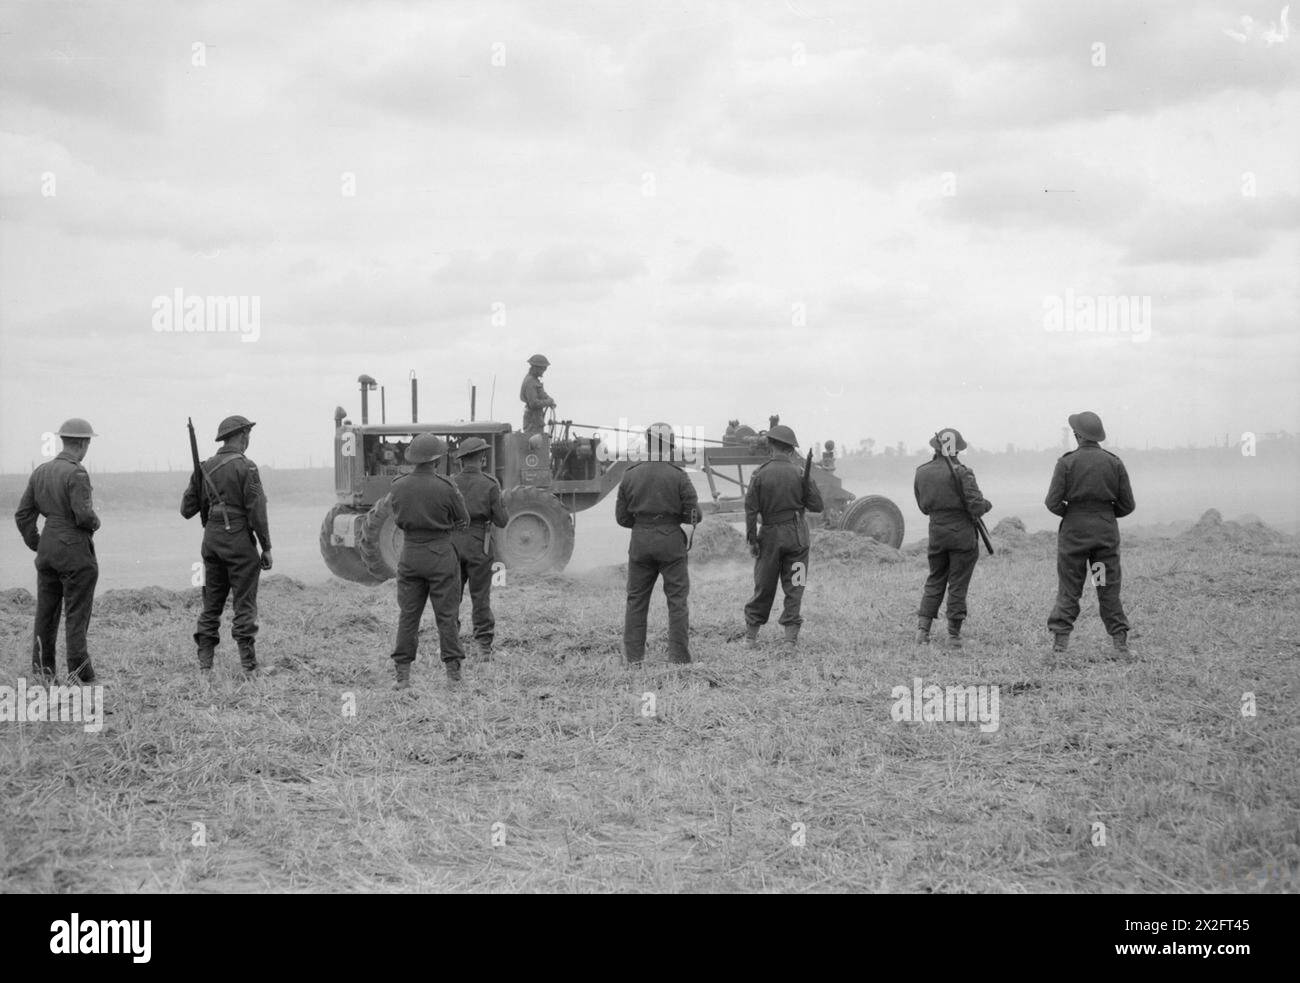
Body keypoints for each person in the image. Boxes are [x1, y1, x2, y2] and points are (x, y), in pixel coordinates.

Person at [181, 415, 272, 676]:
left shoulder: (204, 468)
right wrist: (265, 547)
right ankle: (249, 666)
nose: (248, 440)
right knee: (244, 604)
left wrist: (202, 490)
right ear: (243, 436)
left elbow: (186, 509)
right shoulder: (247, 467)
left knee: (211, 604)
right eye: (248, 436)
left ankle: (205, 666)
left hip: (211, 541)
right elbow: (257, 511)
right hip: (239, 542)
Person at [14, 418, 102, 683]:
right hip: (75, 553)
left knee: (46, 614)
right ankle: (81, 674)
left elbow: (22, 515)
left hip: (48, 551)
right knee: (76, 615)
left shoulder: (40, 471)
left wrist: (38, 544)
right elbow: (84, 516)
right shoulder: (77, 473)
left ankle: (43, 673)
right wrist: (96, 523)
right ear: (83, 443)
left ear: (64, 440)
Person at [1045, 411, 1136, 658]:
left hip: (1074, 536)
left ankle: (1060, 646)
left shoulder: (1066, 463)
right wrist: (1104, 515)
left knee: (1070, 588)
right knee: (1106, 586)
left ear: (1077, 435)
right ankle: (1120, 644)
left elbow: (1052, 502)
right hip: (1104, 538)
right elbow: (1127, 505)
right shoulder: (1114, 462)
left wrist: (1073, 513)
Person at [388, 433, 470, 689]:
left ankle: (403, 677)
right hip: (440, 555)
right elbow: (464, 520)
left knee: (408, 616)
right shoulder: (446, 487)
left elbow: (397, 515)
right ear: (436, 459)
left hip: (410, 554)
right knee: (446, 616)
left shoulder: (398, 485)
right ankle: (453, 676)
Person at [615, 423, 699, 665]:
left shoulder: (630, 474)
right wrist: (675, 524)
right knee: (677, 601)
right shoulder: (679, 475)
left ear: (648, 443)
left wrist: (643, 525)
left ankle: (633, 659)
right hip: (671, 542)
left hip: (640, 542)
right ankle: (679, 659)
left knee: (636, 601)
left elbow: (621, 518)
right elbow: (694, 514)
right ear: (669, 447)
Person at [742, 424, 823, 651]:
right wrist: (805, 486)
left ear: (771, 446)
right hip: (797, 539)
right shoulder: (799, 472)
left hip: (768, 538)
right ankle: (789, 641)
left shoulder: (759, 473)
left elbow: (749, 510)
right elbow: (817, 505)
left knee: (763, 586)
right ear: (790, 449)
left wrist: (752, 541)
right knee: (795, 586)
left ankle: (751, 638)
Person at [913, 428, 992, 648]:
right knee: (958, 585)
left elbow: (923, 507)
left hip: (937, 533)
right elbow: (976, 506)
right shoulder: (963, 472)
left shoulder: (922, 472)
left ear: (935, 448)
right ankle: (954, 637)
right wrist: (986, 505)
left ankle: (922, 632)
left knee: (935, 579)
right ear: (957, 449)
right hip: (962, 535)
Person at [450, 437, 508, 660]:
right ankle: (483, 647)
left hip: (453, 545)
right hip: (479, 546)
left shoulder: (450, 483)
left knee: (451, 597)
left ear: (461, 461)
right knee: (481, 597)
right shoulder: (490, 484)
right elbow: (502, 521)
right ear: (482, 458)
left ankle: (451, 644)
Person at [520, 354, 556, 436]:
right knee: (535, 445)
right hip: (533, 421)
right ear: (536, 368)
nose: (544, 371)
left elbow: (542, 394)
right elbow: (534, 403)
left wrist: (549, 400)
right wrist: (548, 402)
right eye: (543, 369)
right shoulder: (530, 382)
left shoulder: (534, 381)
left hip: (536, 419)